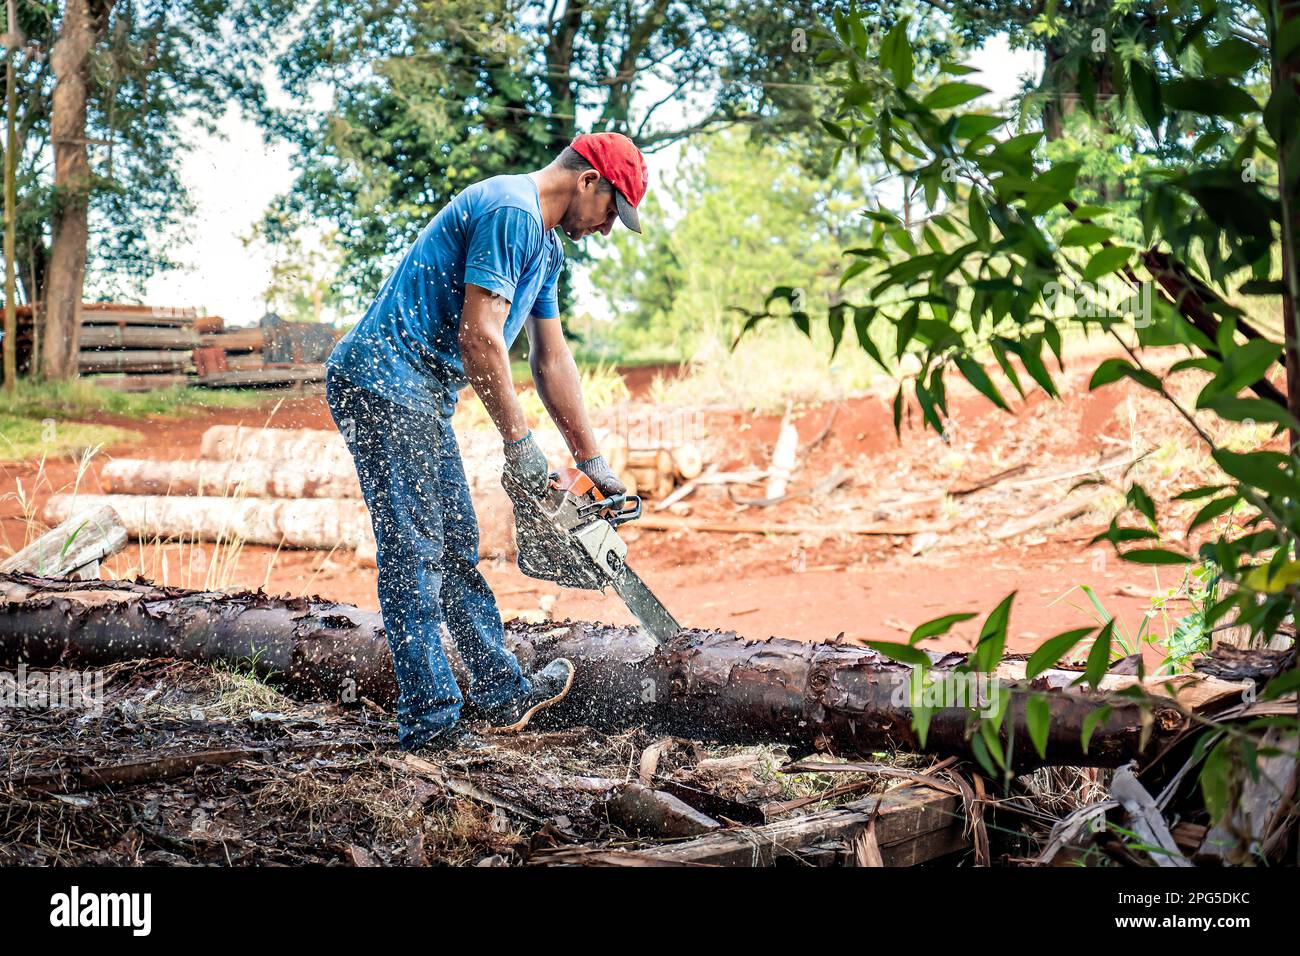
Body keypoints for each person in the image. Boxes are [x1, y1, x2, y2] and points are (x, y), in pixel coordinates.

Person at [325, 132, 648, 751]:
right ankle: (431, 721)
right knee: (416, 551)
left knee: (455, 546)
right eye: (613, 210)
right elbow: (481, 336)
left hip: (417, 391)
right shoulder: (511, 211)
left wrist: (591, 459)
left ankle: (501, 694)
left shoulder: (544, 248)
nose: (608, 228)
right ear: (588, 180)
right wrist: (520, 445)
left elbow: (550, 358)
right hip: (381, 380)